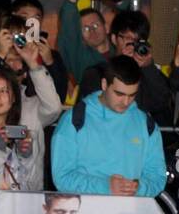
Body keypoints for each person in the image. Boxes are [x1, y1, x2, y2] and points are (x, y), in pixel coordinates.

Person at [51, 56, 167, 198]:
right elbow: (62, 178)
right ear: (104, 84)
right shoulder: (74, 120)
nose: (125, 101)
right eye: (119, 94)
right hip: (85, 213)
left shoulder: (146, 123)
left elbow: (157, 177)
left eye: (132, 95)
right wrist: (105, 186)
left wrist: (139, 188)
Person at [0, 17, 63, 131]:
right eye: (10, 36)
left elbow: (53, 108)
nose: (13, 67)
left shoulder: (31, 107)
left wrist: (34, 65)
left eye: (21, 38)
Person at [80, 10, 173, 123]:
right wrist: (122, 66)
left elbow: (161, 103)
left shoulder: (148, 73)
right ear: (114, 39)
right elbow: (93, 112)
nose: (133, 45)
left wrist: (148, 67)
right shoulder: (96, 73)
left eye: (138, 41)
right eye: (128, 40)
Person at [57, 0, 116, 86]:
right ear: (80, 35)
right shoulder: (80, 57)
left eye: (95, 25)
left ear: (106, 27)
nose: (92, 31)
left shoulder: (122, 49)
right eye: (86, 29)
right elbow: (69, 29)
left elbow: (133, 23)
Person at [11, 0, 71, 104]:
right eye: (24, 18)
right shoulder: (6, 50)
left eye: (36, 19)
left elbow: (60, 96)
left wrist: (50, 63)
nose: (30, 24)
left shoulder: (52, 55)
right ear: (13, 17)